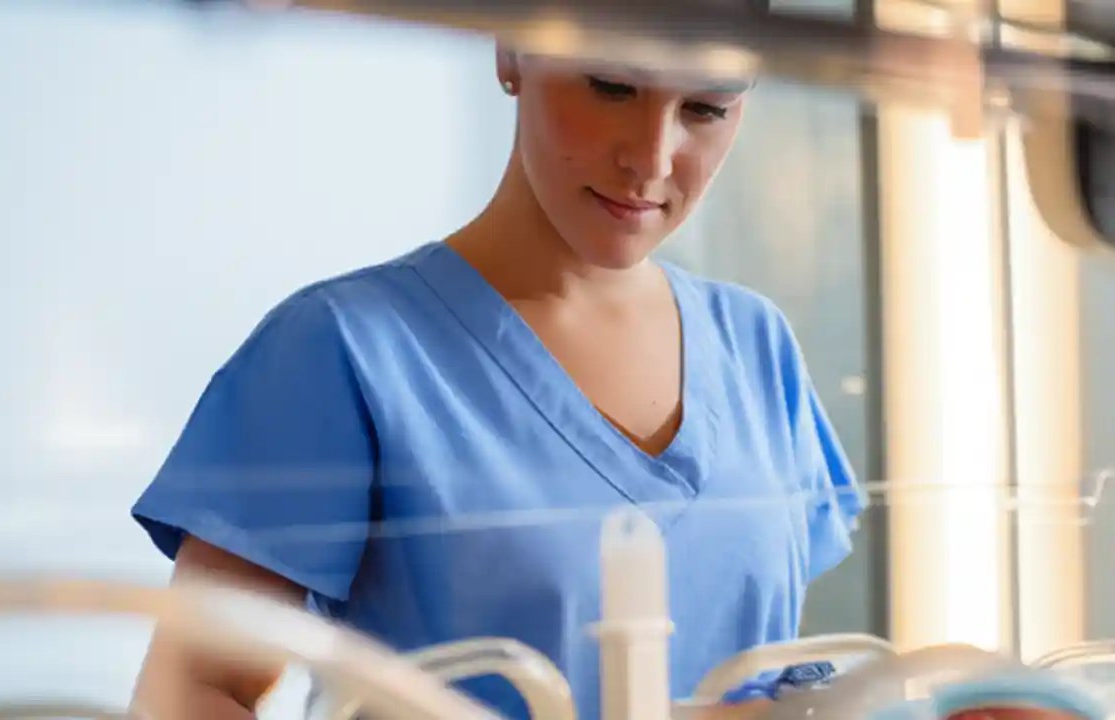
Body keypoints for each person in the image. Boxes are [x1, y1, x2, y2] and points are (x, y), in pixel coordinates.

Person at [128, 44, 864, 720]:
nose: (651, 159)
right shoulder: (343, 349)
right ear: (512, 51)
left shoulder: (755, 344)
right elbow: (189, 694)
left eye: (706, 108)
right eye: (610, 86)